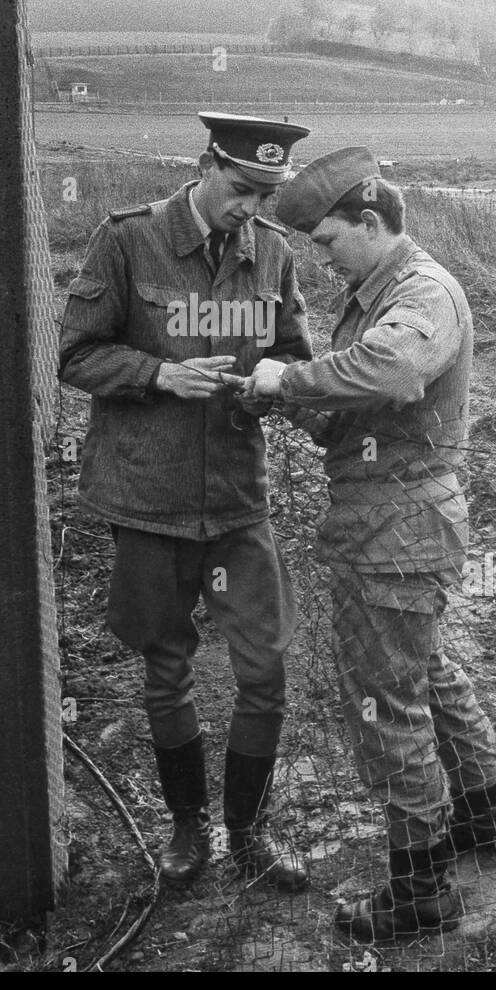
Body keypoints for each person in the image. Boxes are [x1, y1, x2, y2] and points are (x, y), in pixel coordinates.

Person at [233, 147, 496, 944]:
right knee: (428, 673)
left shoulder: (419, 292)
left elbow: (388, 374)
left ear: (368, 221)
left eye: (325, 243)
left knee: (387, 706)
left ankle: (419, 888)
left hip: (393, 529)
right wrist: (278, 395)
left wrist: (287, 382)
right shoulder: (377, 290)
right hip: (391, 521)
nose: (319, 262)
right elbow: (356, 410)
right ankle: (482, 819)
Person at [59, 112, 313, 891]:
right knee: (165, 667)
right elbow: (75, 354)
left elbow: (291, 356)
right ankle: (187, 829)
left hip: (237, 499)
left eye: (265, 193)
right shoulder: (127, 240)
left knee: (264, 668)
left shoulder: (271, 252)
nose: (250, 208)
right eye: (241, 190)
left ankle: (248, 832)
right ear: (206, 166)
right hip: (149, 498)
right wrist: (158, 376)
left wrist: (266, 387)